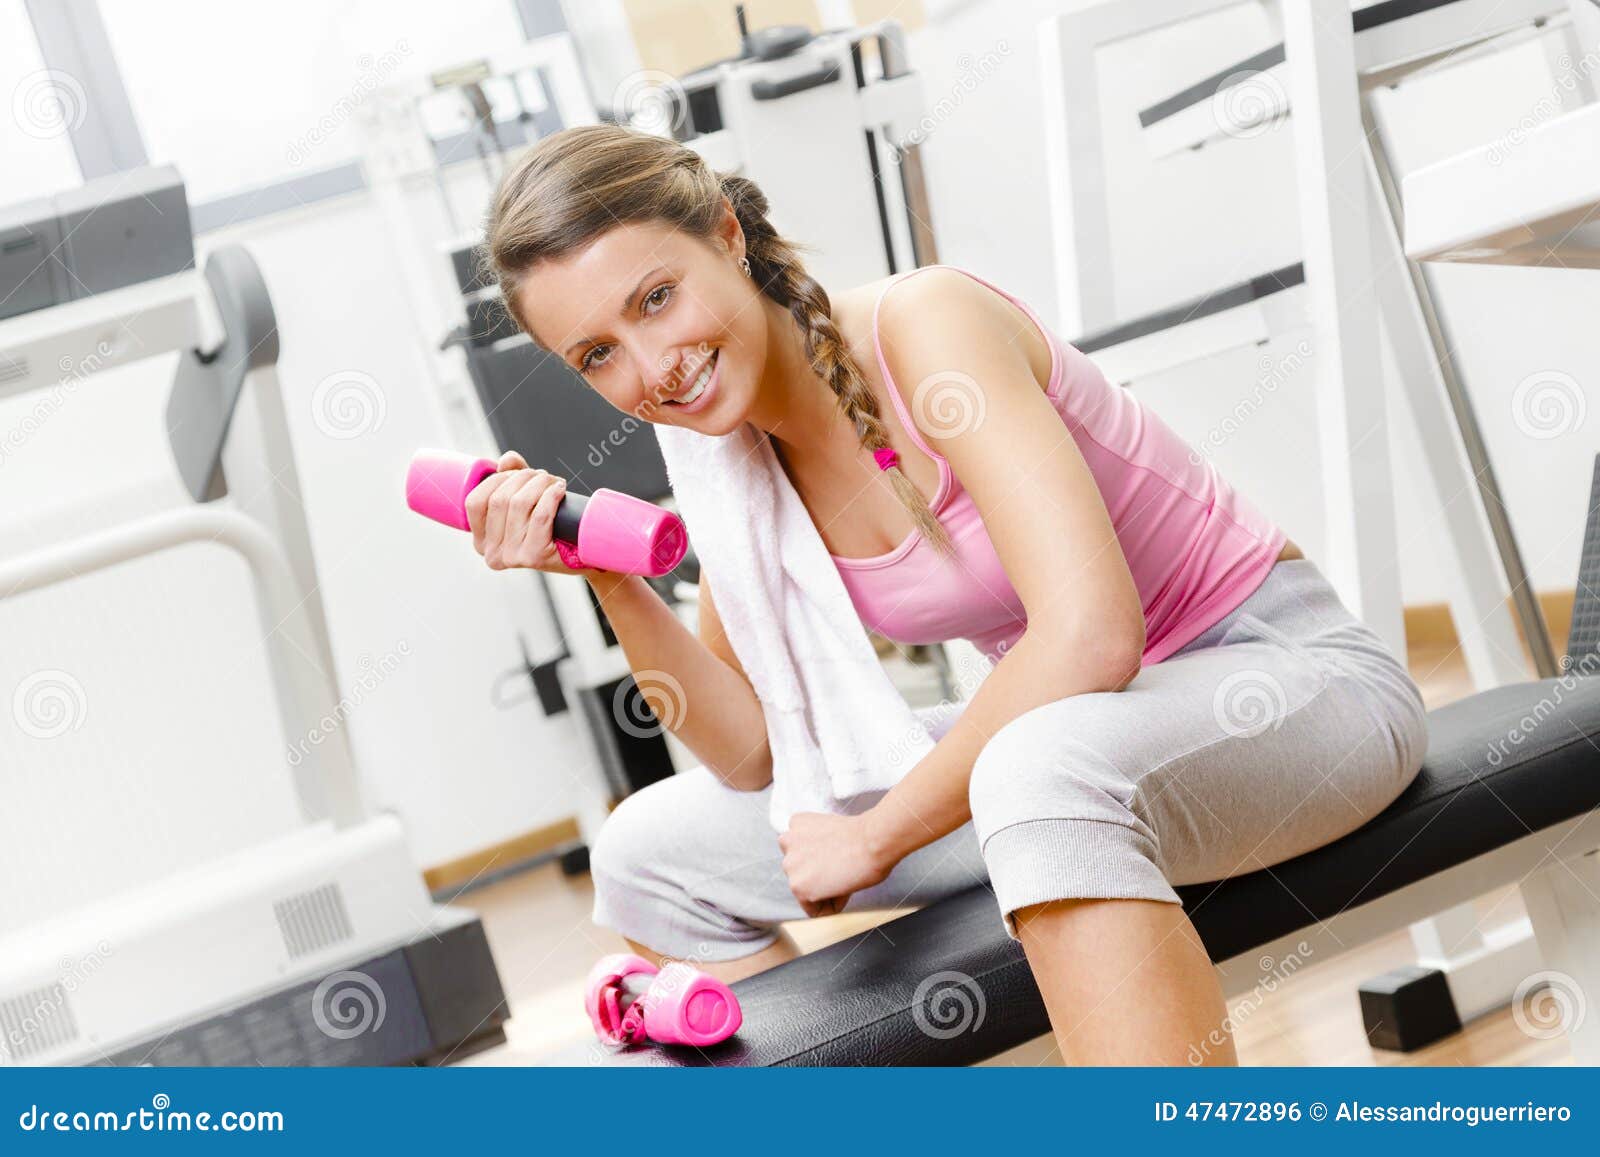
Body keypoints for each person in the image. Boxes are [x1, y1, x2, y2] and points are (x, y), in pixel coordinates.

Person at [466, 124, 1428, 1065]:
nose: (650, 369)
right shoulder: (726, 459)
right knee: (648, 851)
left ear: (725, 231)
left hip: (1287, 683)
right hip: (1084, 740)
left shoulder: (927, 323)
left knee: (1037, 769)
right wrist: (606, 578)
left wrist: (877, 836)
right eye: (597, 354)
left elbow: (1092, 636)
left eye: (657, 298)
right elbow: (754, 754)